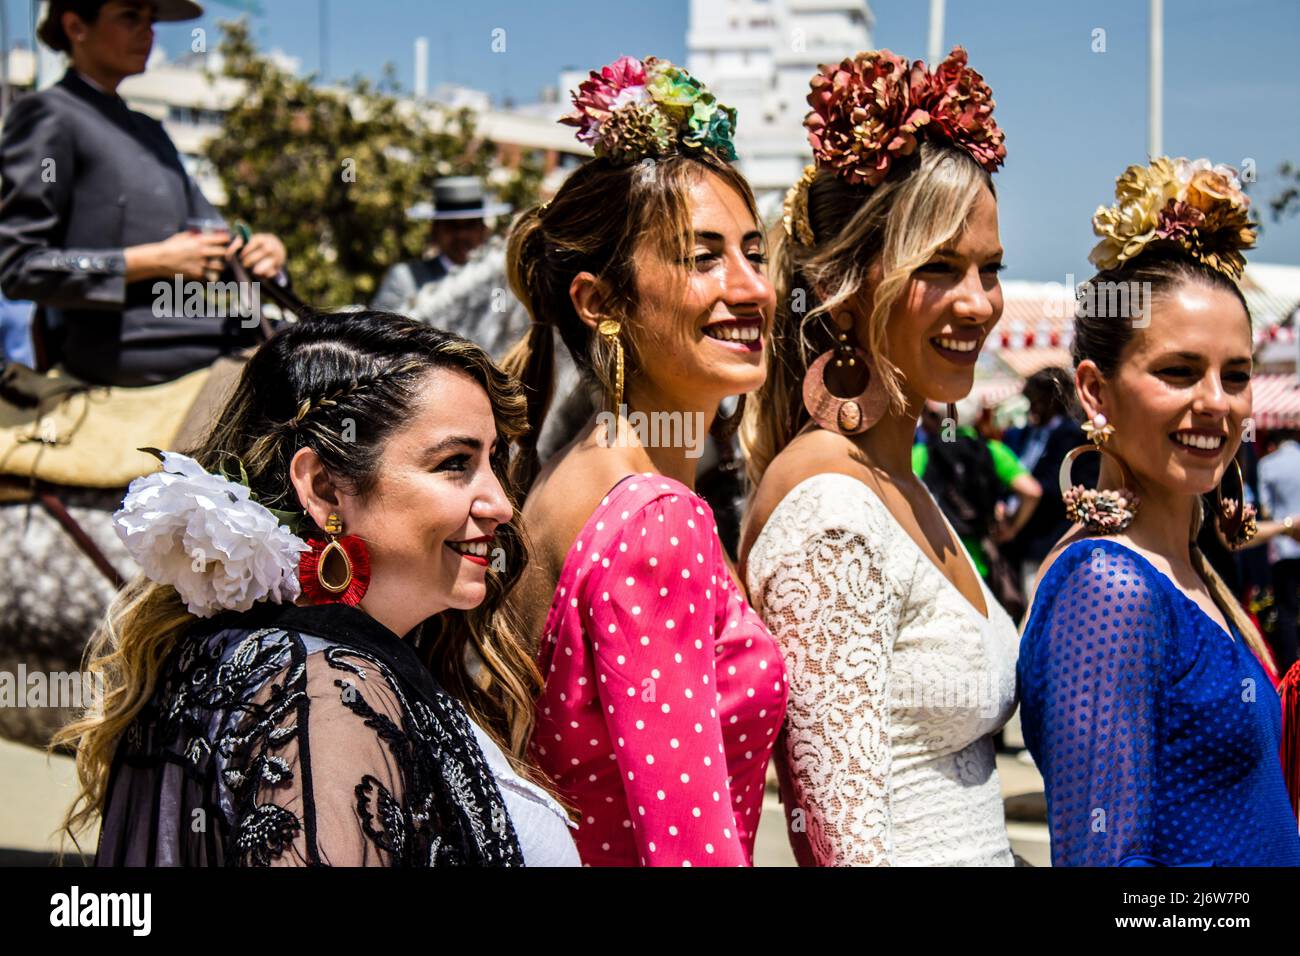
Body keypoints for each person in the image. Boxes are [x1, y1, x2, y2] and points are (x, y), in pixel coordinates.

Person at [55, 312, 579, 866]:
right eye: (455, 464)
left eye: (493, 461)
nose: (500, 503)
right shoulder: (325, 694)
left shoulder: (267, 660)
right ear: (326, 489)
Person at [502, 55, 787, 866]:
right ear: (601, 301)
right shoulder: (655, 523)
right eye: (702, 258)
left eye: (754, 253)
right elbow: (691, 852)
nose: (751, 287)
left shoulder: (578, 477)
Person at [740, 47, 1019, 866]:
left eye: (991, 270)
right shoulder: (831, 505)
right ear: (851, 284)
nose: (979, 303)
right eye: (938, 268)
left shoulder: (897, 481)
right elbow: (844, 851)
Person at [1017, 157, 1300, 867]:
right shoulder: (1105, 587)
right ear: (1095, 392)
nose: (1216, 402)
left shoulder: (1189, 568)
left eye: (1235, 376)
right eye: (1179, 371)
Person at [0, 0, 290, 386]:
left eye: (151, 19)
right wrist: (153, 261)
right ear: (76, 27)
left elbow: (213, 238)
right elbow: (20, 267)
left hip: (210, 332)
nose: (148, 31)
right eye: (129, 17)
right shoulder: (47, 114)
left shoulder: (152, 131)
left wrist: (261, 250)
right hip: (123, 355)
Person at [913, 397, 1041, 618]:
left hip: (936, 560)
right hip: (982, 561)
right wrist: (1010, 528)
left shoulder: (921, 454)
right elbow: (1032, 491)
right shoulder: (993, 451)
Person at [1002, 366, 1095, 600]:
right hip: (1024, 540)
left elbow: (1055, 488)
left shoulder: (1073, 437)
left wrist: (1027, 499)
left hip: (1050, 538)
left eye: (1035, 399)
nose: (1031, 406)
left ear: (1052, 399)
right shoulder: (1027, 434)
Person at [371, 177, 511, 314]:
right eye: (451, 226)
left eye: (470, 225)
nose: (461, 235)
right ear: (435, 230)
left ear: (483, 230)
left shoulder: (499, 282)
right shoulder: (405, 279)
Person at [1258, 428, 1300, 677]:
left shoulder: (1267, 464)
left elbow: (1264, 510)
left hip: (1283, 547)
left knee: (1286, 609)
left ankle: (1290, 665)